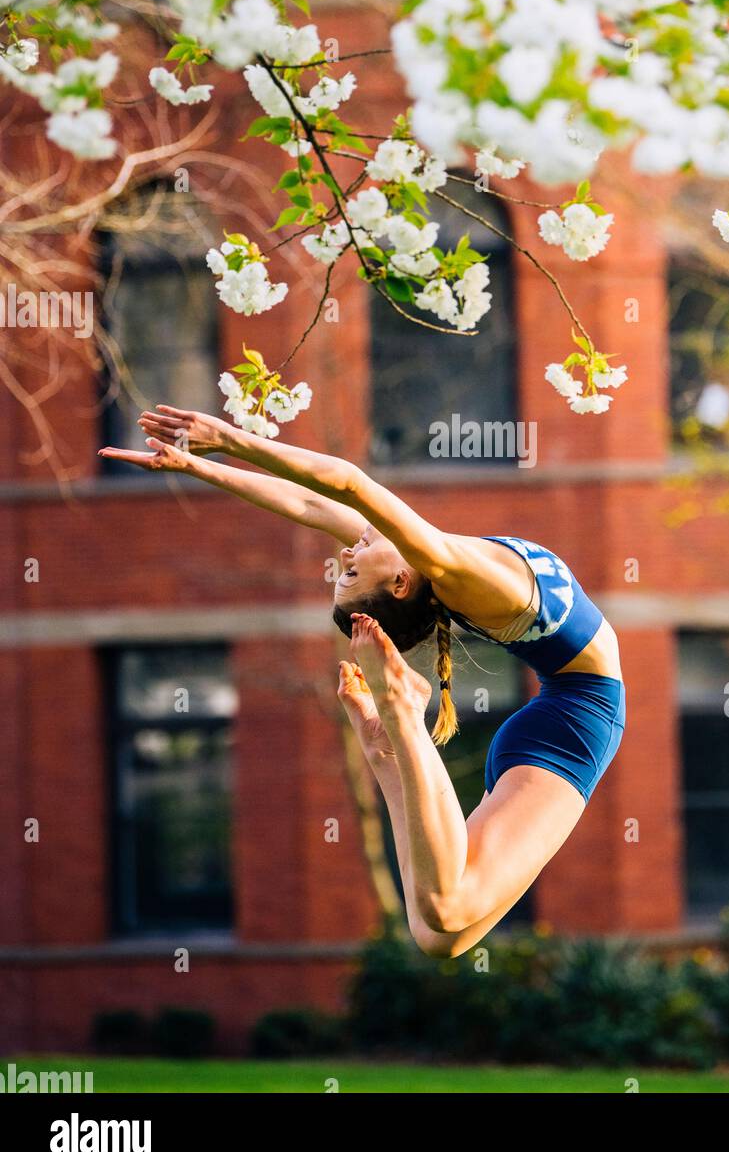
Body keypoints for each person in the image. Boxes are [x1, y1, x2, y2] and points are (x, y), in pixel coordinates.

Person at [100, 406, 625, 957]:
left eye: (346, 567)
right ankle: (401, 717)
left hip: (552, 723)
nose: (347, 552)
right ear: (400, 584)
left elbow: (311, 504)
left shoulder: (428, 567)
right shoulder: (449, 568)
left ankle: (389, 749)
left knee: (439, 931)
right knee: (442, 924)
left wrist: (202, 468)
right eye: (350, 571)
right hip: (578, 722)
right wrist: (226, 437)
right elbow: (349, 482)